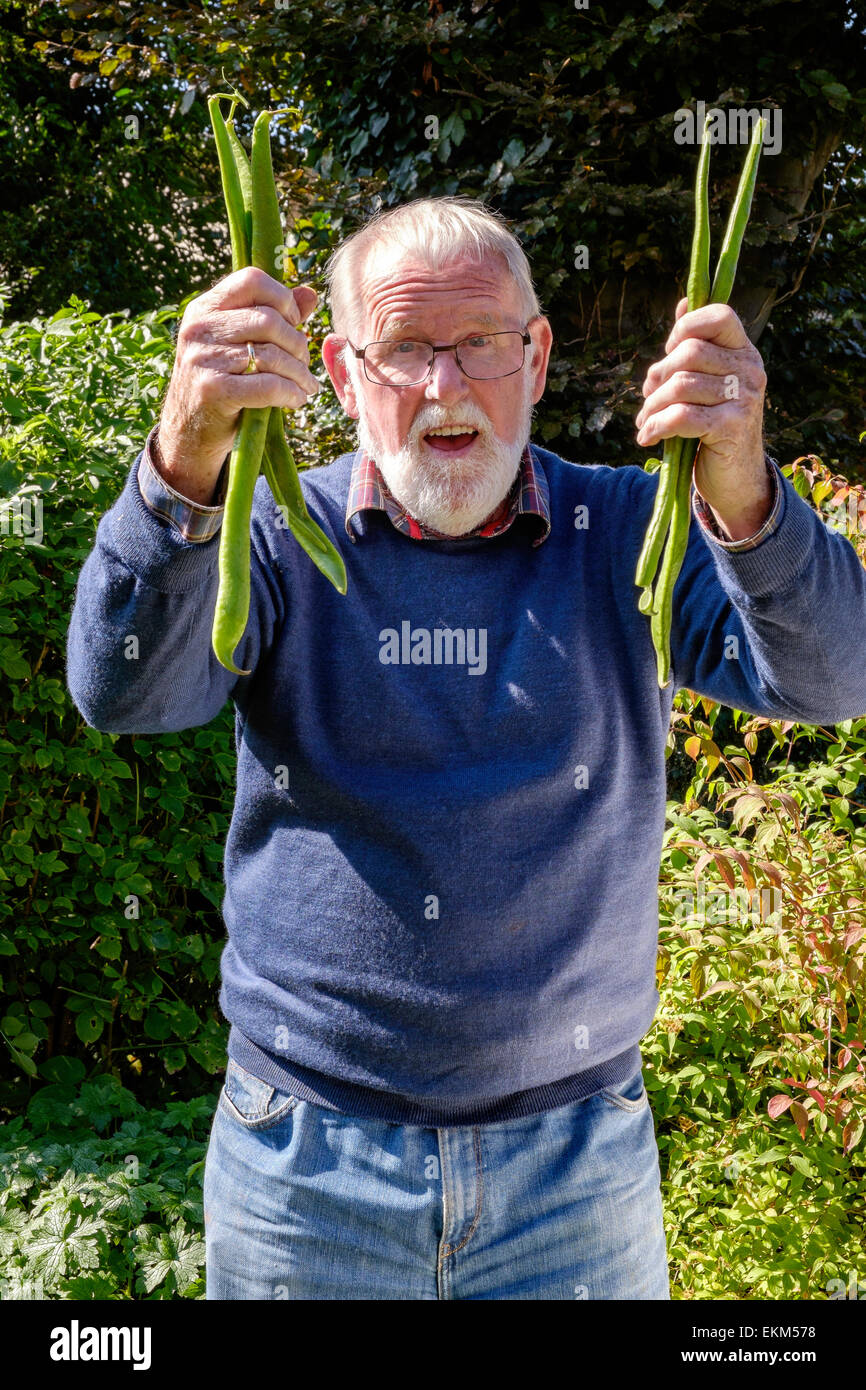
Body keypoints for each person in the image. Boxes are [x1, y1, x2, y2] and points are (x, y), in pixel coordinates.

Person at [66, 195, 866, 1300]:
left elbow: (832, 678)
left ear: (534, 358)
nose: (444, 389)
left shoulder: (629, 531)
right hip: (308, 1169)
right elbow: (124, 691)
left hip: (572, 1176)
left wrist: (740, 483)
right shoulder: (269, 537)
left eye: (481, 343)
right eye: (401, 349)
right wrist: (184, 453)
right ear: (342, 378)